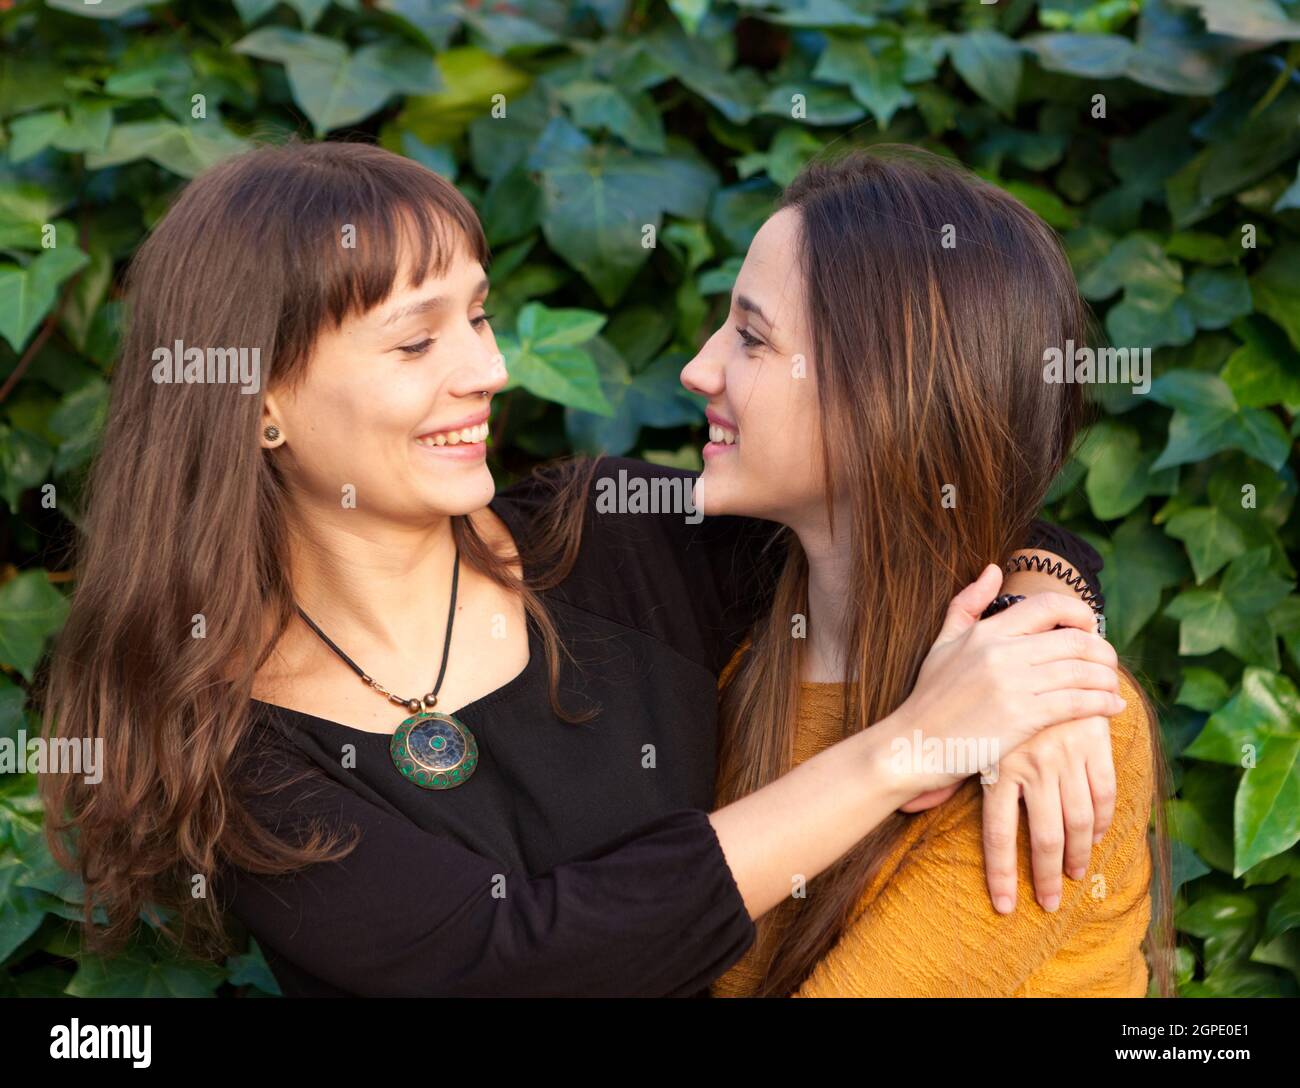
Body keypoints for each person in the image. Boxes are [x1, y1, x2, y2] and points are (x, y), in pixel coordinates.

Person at [37, 141, 1122, 997]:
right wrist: (896, 754)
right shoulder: (227, 738)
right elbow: (504, 963)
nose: (488, 371)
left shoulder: (609, 537)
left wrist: (1044, 629)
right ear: (256, 400)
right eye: (416, 344)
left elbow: (907, 500)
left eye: (478, 315)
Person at [685, 147, 1170, 998]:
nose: (697, 369)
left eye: (751, 338)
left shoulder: (1053, 724)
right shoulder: (730, 647)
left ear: (888, 396)